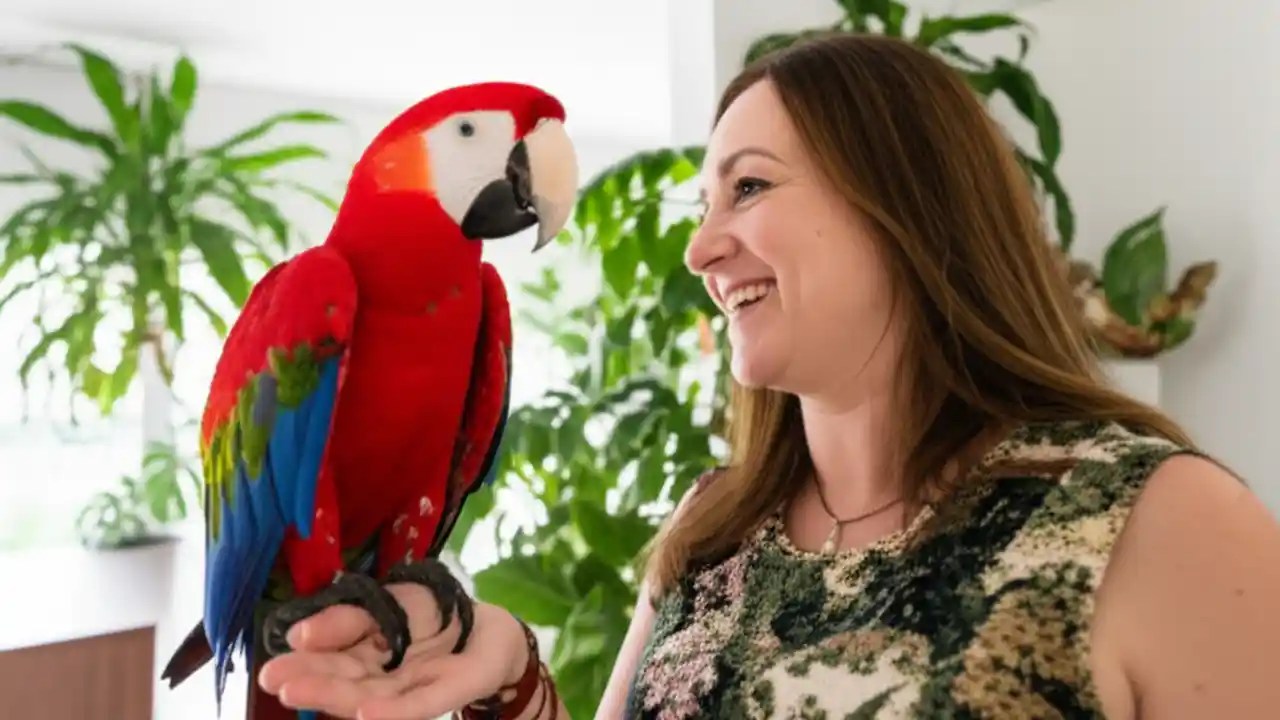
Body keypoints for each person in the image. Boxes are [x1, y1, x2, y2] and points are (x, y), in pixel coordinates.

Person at [256, 32, 1280, 720]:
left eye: (747, 188)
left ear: (908, 207)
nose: (701, 251)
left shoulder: (1157, 519)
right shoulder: (711, 534)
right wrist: (507, 676)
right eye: (705, 207)